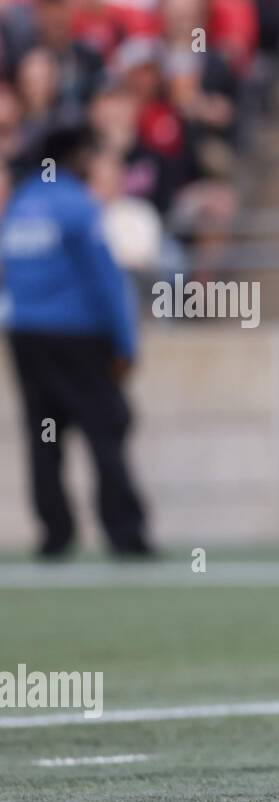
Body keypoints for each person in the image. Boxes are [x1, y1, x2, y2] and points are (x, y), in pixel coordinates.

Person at [2, 123, 151, 557]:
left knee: (43, 439)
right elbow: (107, 282)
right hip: (78, 337)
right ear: (76, 158)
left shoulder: (20, 205)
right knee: (106, 429)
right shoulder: (77, 207)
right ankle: (125, 534)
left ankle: (54, 535)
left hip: (25, 337)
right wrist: (125, 345)